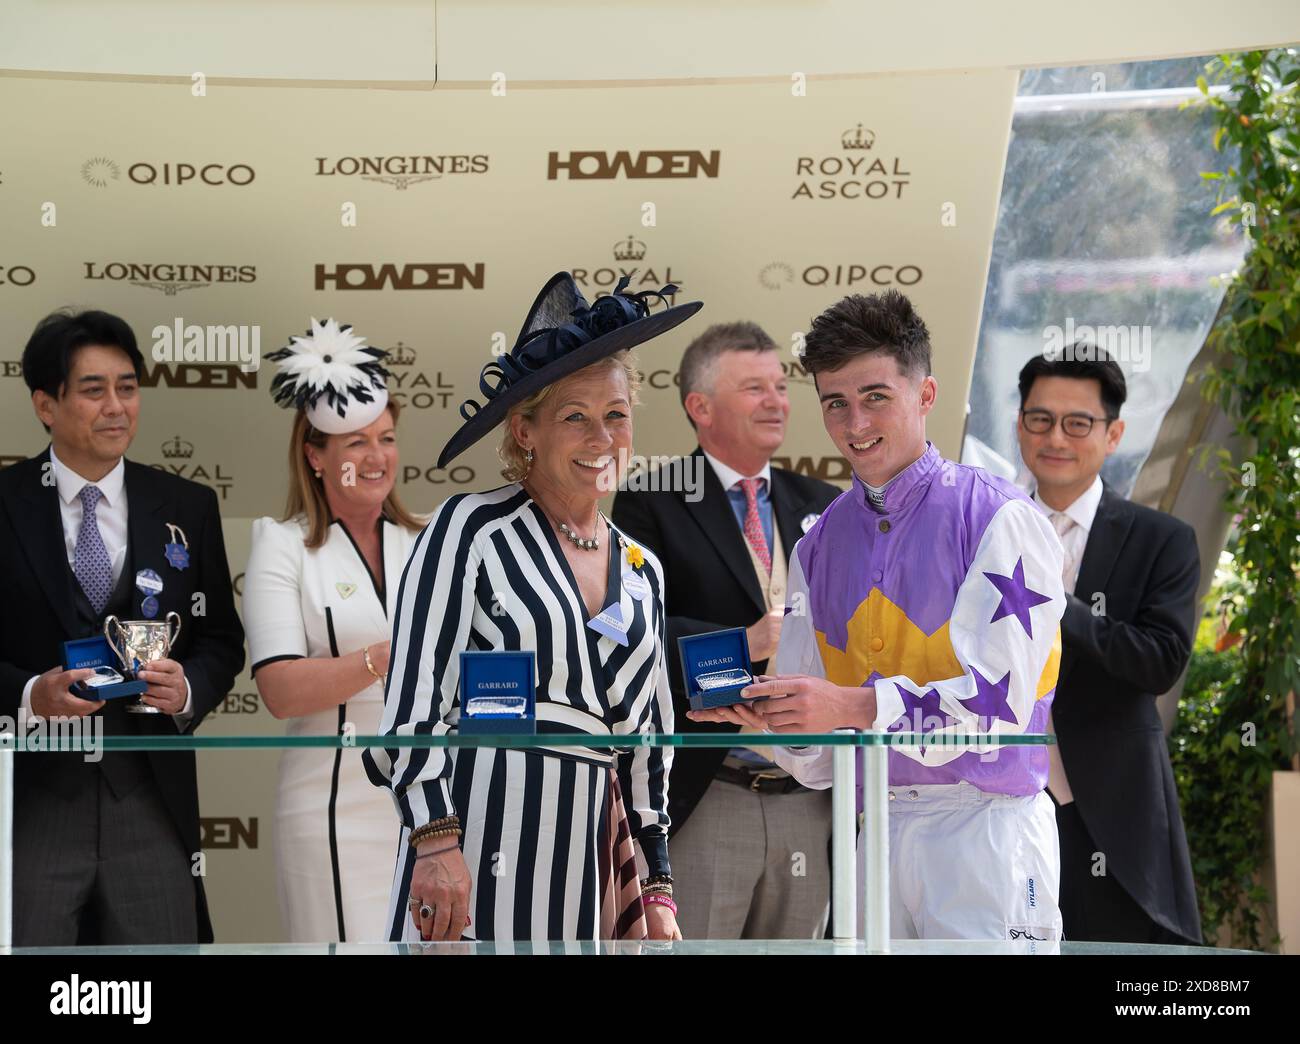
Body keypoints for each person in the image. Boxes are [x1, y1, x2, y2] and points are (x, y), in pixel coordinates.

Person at [691, 290, 1067, 942]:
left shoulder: (997, 517)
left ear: (925, 395)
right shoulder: (819, 544)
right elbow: (812, 761)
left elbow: (995, 712)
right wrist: (781, 719)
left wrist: (850, 707)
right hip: (873, 833)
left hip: (988, 832)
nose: (854, 422)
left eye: (875, 397)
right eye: (835, 402)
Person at [363, 273, 701, 942]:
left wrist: (656, 887)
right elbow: (412, 699)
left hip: (588, 871)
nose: (601, 437)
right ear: (525, 430)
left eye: (616, 414)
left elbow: (647, 747)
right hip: (468, 855)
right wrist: (434, 842)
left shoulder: (643, 570)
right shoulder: (468, 526)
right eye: (575, 416)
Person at [0, 308, 244, 945]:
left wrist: (187, 687)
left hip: (150, 800)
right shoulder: (3, 503)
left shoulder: (188, 506)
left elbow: (219, 637)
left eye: (128, 387)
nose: (116, 406)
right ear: (45, 404)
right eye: (92, 389)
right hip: (28, 803)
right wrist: (29, 695)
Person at [612, 321, 839, 940]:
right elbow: (634, 635)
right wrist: (744, 645)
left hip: (810, 797)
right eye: (754, 388)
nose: (777, 401)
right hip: (712, 792)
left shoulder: (825, 502)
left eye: (781, 385)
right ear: (700, 407)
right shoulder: (648, 501)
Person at [242, 319, 426, 943]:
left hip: (434, 808)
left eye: (386, 438)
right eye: (354, 443)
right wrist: (385, 658)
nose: (376, 458)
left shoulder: (428, 541)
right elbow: (280, 689)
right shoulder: (282, 543)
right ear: (315, 456)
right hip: (332, 806)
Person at [1016, 347, 1202, 944]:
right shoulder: (983, 531)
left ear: (1113, 433)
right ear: (1020, 423)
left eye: (1078, 423)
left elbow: (1160, 661)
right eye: (1039, 419)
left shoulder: (1161, 540)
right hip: (997, 804)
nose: (1056, 438)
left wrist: (1050, 603)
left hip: (1112, 812)